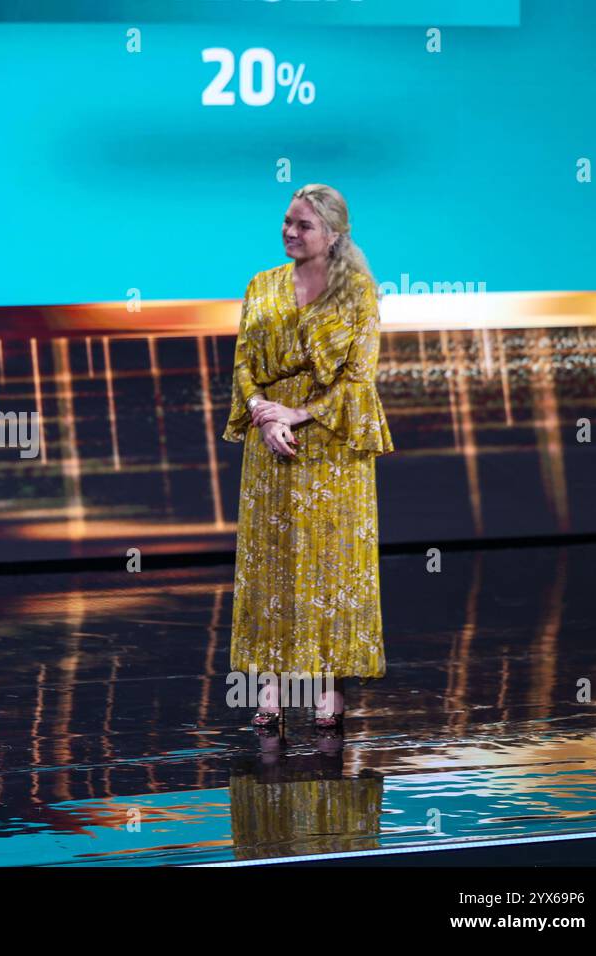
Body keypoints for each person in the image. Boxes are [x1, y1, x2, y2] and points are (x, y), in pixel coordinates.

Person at [222, 183, 394, 735]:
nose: (290, 232)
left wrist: (297, 415)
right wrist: (263, 414)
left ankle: (327, 692)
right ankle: (268, 691)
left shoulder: (360, 294)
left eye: (304, 225)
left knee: (330, 569)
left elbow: (358, 379)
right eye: (287, 221)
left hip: (331, 446)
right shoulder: (261, 285)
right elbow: (244, 363)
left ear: (334, 234)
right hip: (269, 443)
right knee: (271, 568)